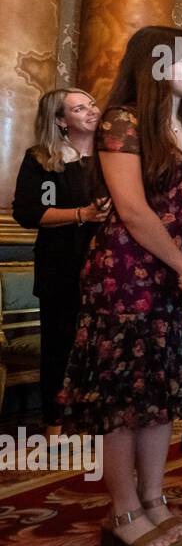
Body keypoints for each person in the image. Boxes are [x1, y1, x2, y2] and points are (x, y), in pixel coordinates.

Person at [60, 26, 182, 546]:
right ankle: (122, 508)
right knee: (122, 396)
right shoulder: (122, 121)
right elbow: (131, 210)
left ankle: (154, 499)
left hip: (176, 275)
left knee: (158, 393)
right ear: (156, 65)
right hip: (126, 272)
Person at [12, 88, 112, 429]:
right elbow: (27, 212)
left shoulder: (110, 155)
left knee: (103, 345)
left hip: (108, 268)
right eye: (79, 108)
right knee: (61, 345)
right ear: (60, 121)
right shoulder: (42, 158)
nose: (91, 111)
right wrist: (82, 214)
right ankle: (55, 423)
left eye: (92, 104)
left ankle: (95, 420)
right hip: (61, 265)